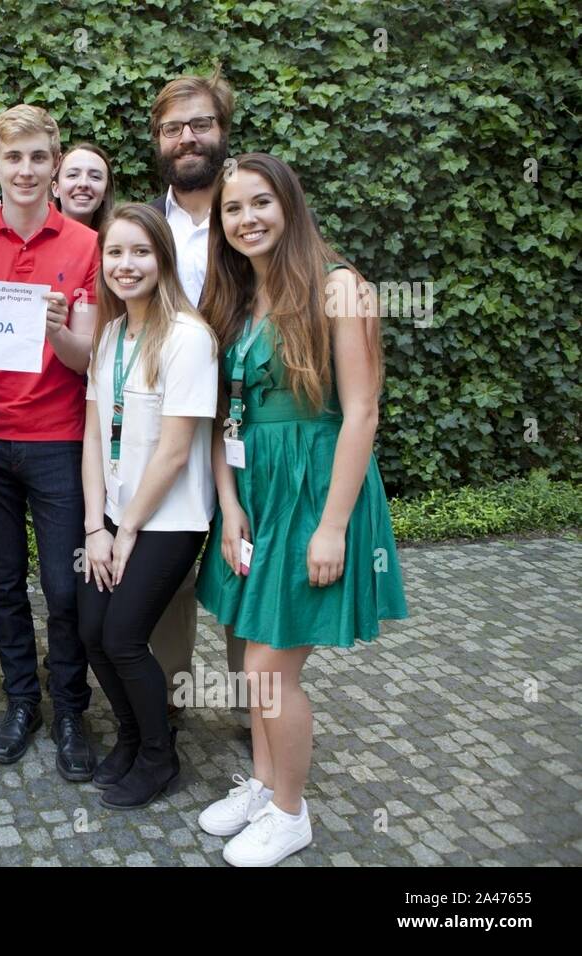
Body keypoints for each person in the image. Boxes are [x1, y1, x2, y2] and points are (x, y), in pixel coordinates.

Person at [194, 153, 408, 866]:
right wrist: (228, 506)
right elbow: (226, 417)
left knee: (267, 667)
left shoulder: (339, 286)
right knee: (255, 649)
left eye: (261, 203)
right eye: (233, 209)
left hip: (316, 492)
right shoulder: (237, 296)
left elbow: (363, 413)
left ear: (289, 205)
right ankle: (263, 783)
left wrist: (334, 527)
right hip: (257, 494)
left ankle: (291, 812)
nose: (247, 218)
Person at [0, 105, 98, 781]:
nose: (28, 170)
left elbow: (87, 358)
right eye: (15, 158)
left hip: (61, 443)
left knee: (65, 590)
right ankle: (21, 704)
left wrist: (58, 329)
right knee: (4, 584)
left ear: (55, 161)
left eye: (40, 157)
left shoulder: (86, 246)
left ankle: (71, 707)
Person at [78, 203, 218, 809]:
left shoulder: (189, 338)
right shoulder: (111, 333)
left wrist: (127, 527)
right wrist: (95, 525)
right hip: (112, 514)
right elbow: (91, 432)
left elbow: (177, 447)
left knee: (125, 636)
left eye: (140, 252)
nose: (126, 264)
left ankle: (161, 759)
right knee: (89, 632)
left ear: (162, 258)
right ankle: (132, 736)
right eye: (114, 252)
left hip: (168, 519)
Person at [144, 67, 238, 714]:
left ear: (222, 131)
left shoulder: (255, 209)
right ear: (158, 139)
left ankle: (251, 708)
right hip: (165, 418)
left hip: (244, 414)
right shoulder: (145, 224)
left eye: (200, 124)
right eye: (174, 127)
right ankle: (167, 702)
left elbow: (311, 264)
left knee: (244, 560)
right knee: (165, 569)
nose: (187, 137)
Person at [52, 142, 116, 232]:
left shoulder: (114, 243)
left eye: (95, 177)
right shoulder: (34, 240)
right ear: (56, 188)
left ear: (105, 191)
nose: (83, 183)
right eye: (73, 175)